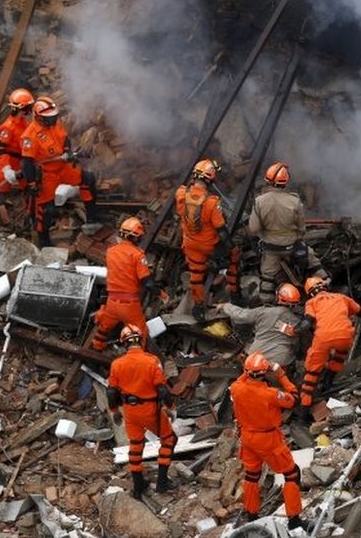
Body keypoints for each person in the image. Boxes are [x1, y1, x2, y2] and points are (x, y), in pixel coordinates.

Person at [229, 352, 307, 530]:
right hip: (268, 439)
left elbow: (243, 378)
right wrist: (281, 375)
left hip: (247, 437)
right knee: (292, 474)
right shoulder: (271, 394)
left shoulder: (236, 388)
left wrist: (250, 369)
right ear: (265, 372)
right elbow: (294, 398)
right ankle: (294, 520)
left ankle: (252, 515)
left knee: (252, 475)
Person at [107, 325, 177, 498]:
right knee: (169, 439)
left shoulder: (117, 364)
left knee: (136, 445)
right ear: (141, 340)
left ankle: (138, 486)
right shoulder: (151, 361)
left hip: (130, 411)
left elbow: (111, 391)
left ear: (124, 343)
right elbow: (162, 390)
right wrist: (171, 408)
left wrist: (114, 411)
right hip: (150, 410)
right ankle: (162, 482)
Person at [20, 96, 98, 247]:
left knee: (88, 179)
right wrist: (32, 183)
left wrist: (68, 151)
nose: (54, 119)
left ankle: (92, 219)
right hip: (46, 174)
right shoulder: (30, 136)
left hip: (63, 166)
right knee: (46, 209)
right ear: (39, 117)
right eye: (50, 118)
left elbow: (65, 139)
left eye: (54, 116)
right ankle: (43, 239)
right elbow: (27, 163)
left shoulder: (55, 124)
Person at [248, 161, 326, 304]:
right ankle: (326, 288)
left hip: (271, 249)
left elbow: (253, 228)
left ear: (268, 181)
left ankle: (267, 306)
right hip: (292, 246)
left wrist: (266, 235)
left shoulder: (259, 201)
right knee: (314, 263)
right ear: (286, 181)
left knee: (267, 278)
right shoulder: (294, 201)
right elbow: (301, 229)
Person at [299, 277, 361, 408]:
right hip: (344, 336)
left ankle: (304, 409)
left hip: (323, 338)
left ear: (309, 293)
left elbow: (307, 323)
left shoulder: (311, 303)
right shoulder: (341, 297)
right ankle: (328, 382)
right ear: (325, 287)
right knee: (340, 354)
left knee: (312, 372)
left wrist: (294, 331)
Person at [91, 217, 168, 351]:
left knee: (103, 328)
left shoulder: (111, 251)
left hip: (111, 302)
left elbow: (109, 277)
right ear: (135, 238)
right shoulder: (137, 255)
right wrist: (162, 295)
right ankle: (138, 357)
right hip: (129, 305)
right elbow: (147, 283)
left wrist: (103, 304)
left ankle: (96, 348)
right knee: (140, 332)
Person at [174, 159, 228, 320]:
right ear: (209, 179)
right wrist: (226, 247)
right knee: (232, 254)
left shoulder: (181, 194)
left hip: (190, 244)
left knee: (195, 276)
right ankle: (221, 270)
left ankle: (198, 306)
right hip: (208, 246)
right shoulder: (212, 203)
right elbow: (221, 229)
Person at [0, 88, 35, 240]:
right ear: (20, 108)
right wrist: (6, 169)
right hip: (9, 165)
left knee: (30, 192)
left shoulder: (26, 122)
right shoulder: (8, 127)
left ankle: (30, 221)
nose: (30, 110)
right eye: (28, 108)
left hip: (24, 163)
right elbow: (1, 149)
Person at [217, 283, 304, 368]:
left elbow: (241, 315)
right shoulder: (298, 321)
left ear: (278, 297)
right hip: (281, 360)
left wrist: (225, 306)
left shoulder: (264, 312)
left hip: (256, 358)